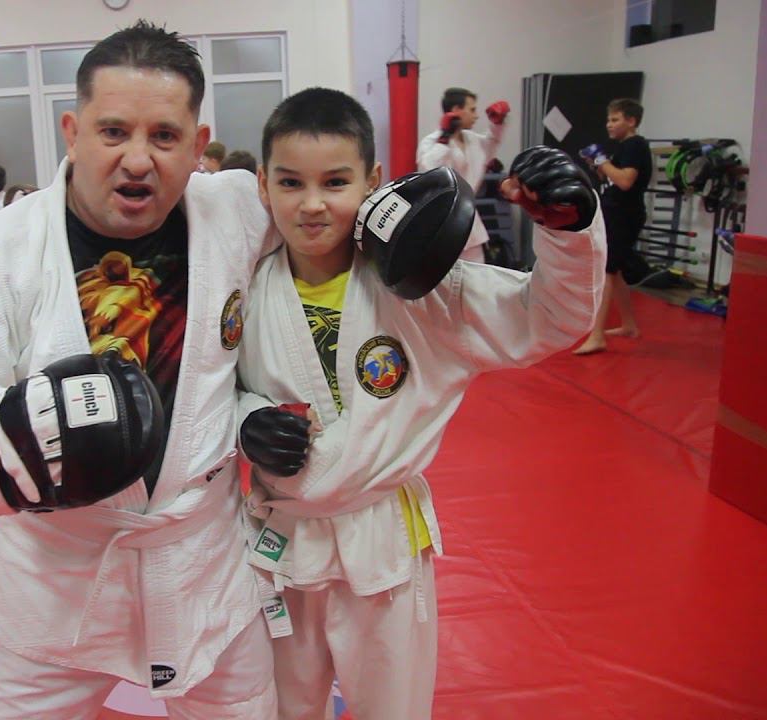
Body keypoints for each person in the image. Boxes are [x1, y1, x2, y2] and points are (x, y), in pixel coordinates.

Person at [0, 20, 279, 718]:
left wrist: (405, 224)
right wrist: (18, 434)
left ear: (198, 146)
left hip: (205, 567)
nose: (137, 160)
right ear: (72, 131)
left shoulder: (238, 210)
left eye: (164, 136)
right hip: (54, 583)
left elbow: (326, 211)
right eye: (113, 131)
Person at [236, 88, 605, 718]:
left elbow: (550, 316)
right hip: (280, 540)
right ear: (264, 186)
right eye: (291, 182)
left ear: (373, 181)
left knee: (393, 706)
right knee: (281, 707)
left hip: (382, 537)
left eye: (336, 182)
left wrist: (569, 231)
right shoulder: (243, 287)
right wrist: (248, 423)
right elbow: (210, 393)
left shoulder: (422, 289)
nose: (313, 203)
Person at [573, 98, 651, 355]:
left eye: (615, 119)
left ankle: (597, 335)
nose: (609, 124)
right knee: (614, 272)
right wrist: (598, 165)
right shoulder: (623, 147)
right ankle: (629, 325)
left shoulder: (636, 145)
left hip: (625, 215)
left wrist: (602, 160)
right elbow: (612, 179)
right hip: (615, 212)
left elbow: (626, 181)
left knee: (606, 271)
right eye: (608, 119)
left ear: (631, 121)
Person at [417, 86, 510, 263]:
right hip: (442, 222)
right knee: (443, 275)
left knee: (476, 274)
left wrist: (498, 123)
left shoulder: (472, 139)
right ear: (456, 110)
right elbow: (428, 169)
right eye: (472, 110)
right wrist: (444, 139)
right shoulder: (432, 141)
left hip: (470, 223)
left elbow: (492, 142)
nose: (476, 116)